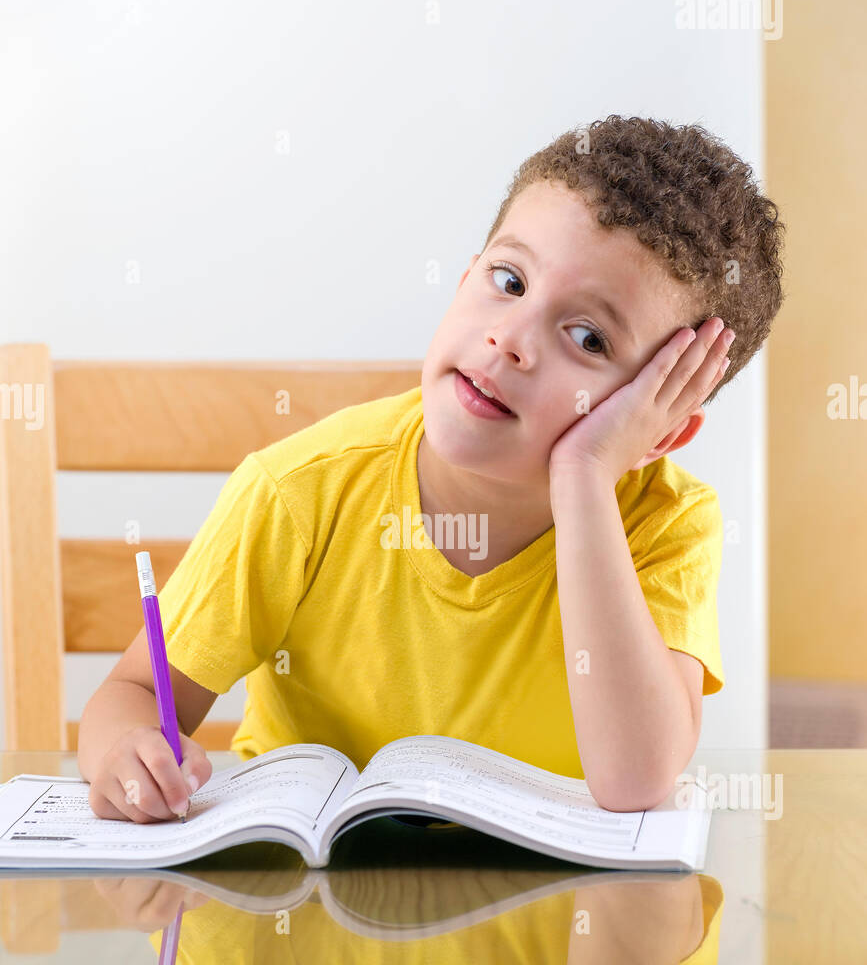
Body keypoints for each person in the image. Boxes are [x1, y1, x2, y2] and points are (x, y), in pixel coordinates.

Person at [77, 114, 785, 828]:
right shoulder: (299, 490)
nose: (507, 340)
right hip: (306, 913)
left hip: (540, 923)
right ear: (462, 278)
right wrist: (123, 751)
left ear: (659, 429)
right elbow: (132, 692)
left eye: (586, 337)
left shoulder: (665, 524)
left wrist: (584, 477)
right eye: (507, 280)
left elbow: (634, 779)